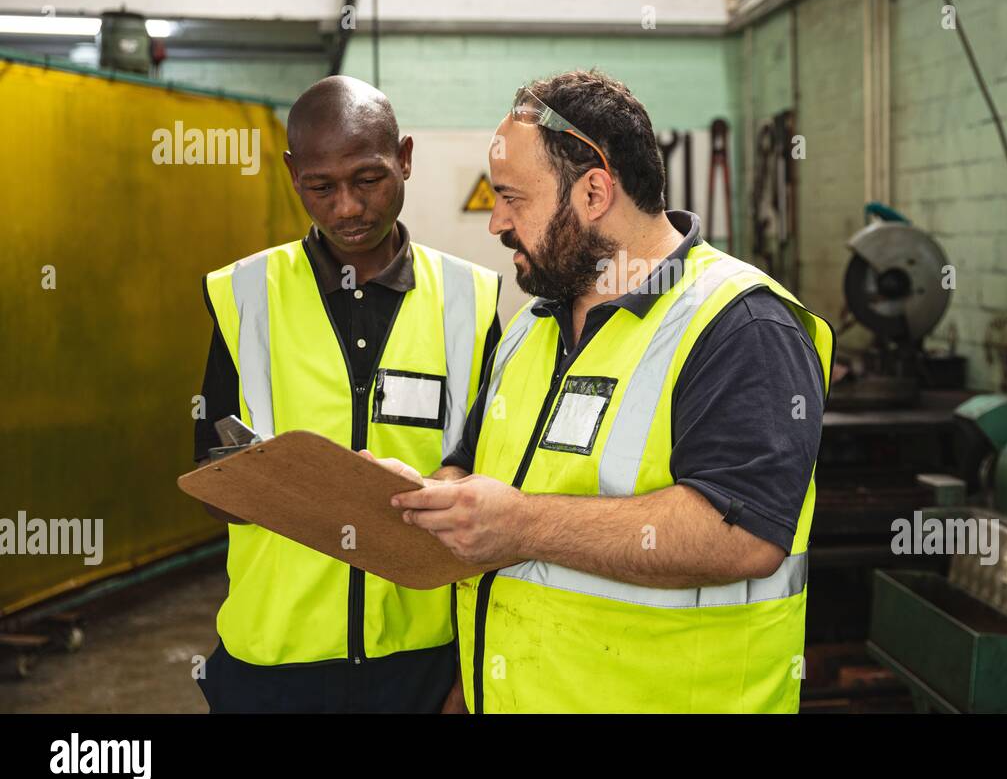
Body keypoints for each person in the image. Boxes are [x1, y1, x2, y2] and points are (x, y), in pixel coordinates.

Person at [374, 69, 834, 713]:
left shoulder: (740, 325)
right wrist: (427, 496)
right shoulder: (531, 328)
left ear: (593, 192)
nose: (496, 223)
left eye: (513, 198)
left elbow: (743, 534)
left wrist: (523, 526)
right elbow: (477, 471)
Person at [192, 75, 500, 712]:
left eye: (369, 179)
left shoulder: (471, 301)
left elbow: (494, 478)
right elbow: (208, 472)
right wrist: (289, 486)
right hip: (275, 665)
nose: (347, 209)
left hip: (421, 661)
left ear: (405, 158)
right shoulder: (244, 296)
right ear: (292, 173)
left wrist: (468, 674)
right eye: (320, 187)